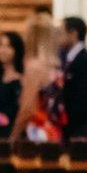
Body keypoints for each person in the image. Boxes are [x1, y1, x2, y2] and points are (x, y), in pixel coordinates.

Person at [11, 11, 63, 142]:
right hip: (55, 131)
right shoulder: (56, 65)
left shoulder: (34, 66)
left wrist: (13, 136)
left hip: (38, 132)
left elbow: (28, 108)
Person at [59, 15, 87, 142]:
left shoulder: (86, 61)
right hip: (70, 128)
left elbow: (84, 97)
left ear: (73, 34)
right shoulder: (66, 59)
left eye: (61, 32)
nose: (58, 38)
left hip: (82, 131)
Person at [0, 30, 24, 135]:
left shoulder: (22, 79)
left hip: (15, 133)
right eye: (0, 45)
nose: (3, 50)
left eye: (8, 46)